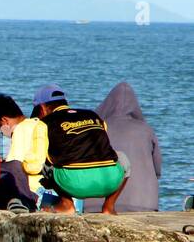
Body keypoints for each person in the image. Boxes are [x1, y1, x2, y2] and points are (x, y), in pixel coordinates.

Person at [32, 85, 129, 215]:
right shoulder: (93, 115)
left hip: (72, 183)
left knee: (44, 161)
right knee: (122, 158)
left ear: (42, 108)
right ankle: (109, 207)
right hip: (109, 181)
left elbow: (35, 163)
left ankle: (67, 204)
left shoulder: (44, 123)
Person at [83, 82, 161, 213]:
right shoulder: (146, 130)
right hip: (143, 203)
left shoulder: (95, 128)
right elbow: (158, 170)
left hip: (95, 204)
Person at [0, 94, 45, 212]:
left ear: (4, 121)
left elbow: (14, 166)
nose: (2, 133)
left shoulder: (20, 130)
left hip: (31, 189)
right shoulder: (38, 123)